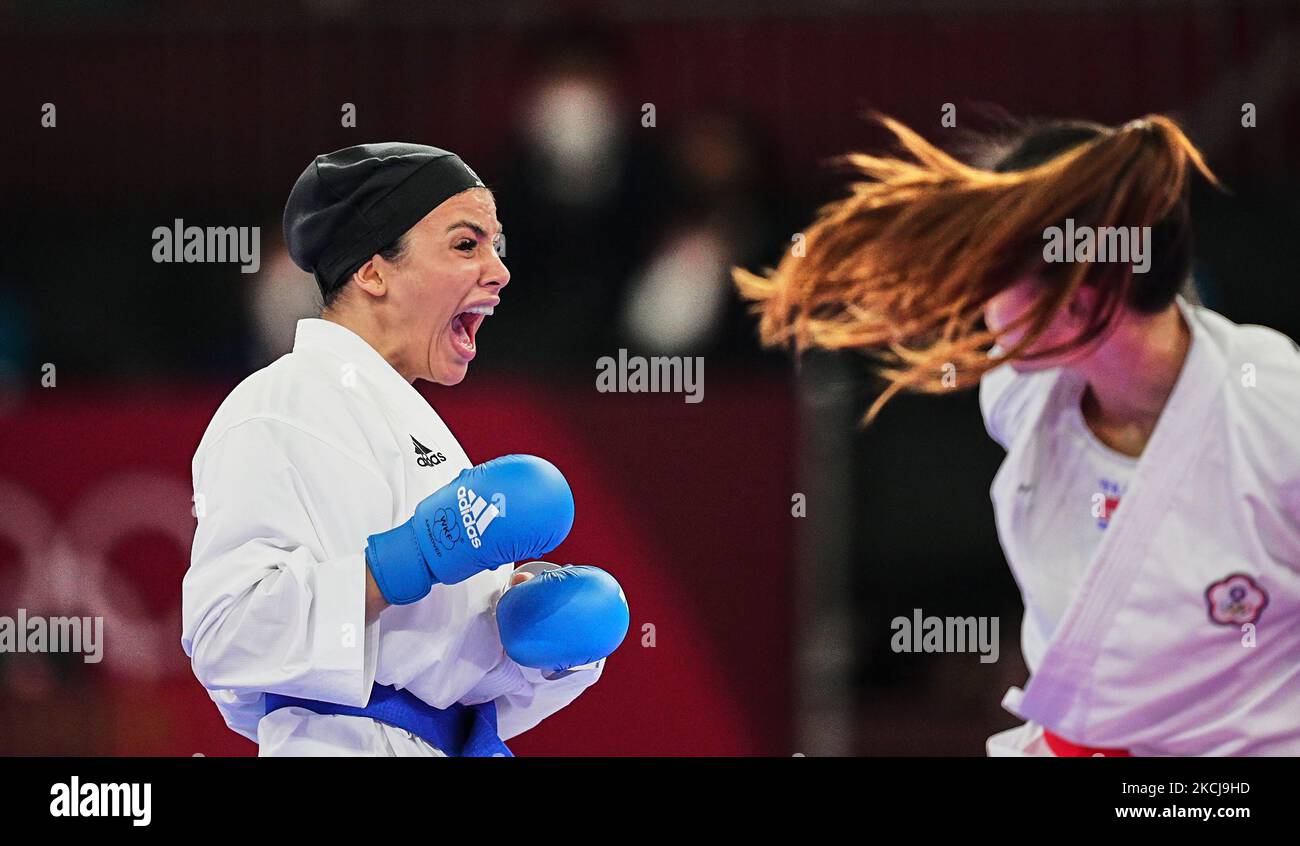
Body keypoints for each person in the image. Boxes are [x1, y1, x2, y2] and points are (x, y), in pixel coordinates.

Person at [735, 115, 1300, 755]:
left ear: (1080, 300)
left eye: (998, 277)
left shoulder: (1276, 415)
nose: (982, 302)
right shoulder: (1022, 392)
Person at [182, 143, 628, 756]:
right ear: (373, 270)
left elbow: (439, 677)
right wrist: (405, 558)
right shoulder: (278, 403)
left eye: (496, 247)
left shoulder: (421, 434)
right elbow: (224, 636)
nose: (498, 272)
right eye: (466, 245)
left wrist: (533, 643)